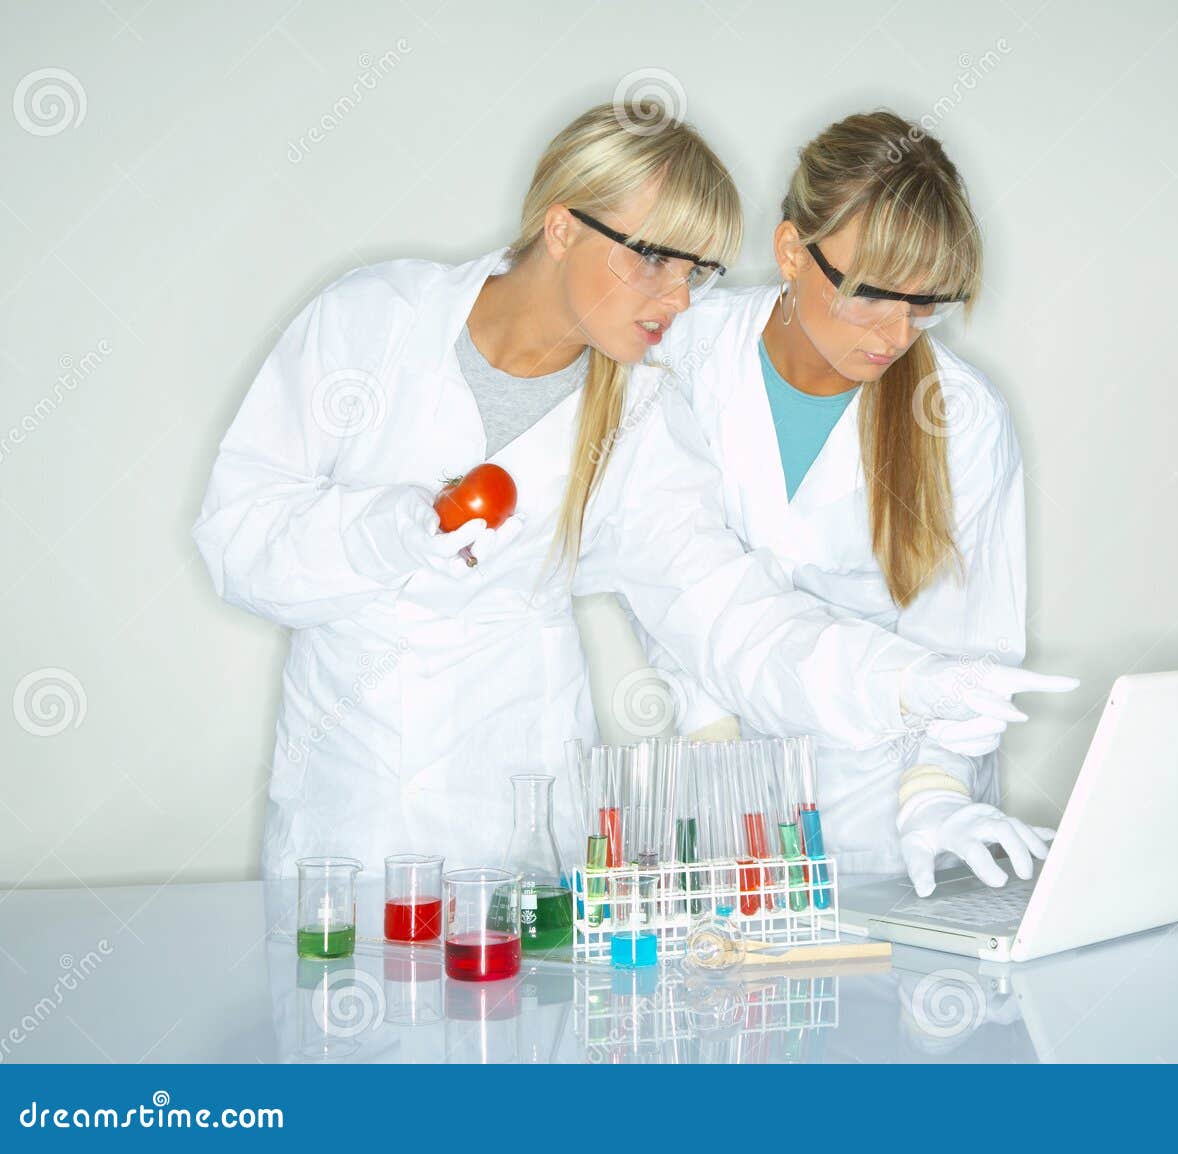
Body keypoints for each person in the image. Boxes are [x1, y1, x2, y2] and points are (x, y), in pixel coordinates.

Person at [194, 101, 1074, 878]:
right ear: (563, 225)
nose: (680, 301)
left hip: (526, 803)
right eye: (656, 260)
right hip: (347, 796)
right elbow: (238, 542)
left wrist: (907, 687)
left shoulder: (644, 411)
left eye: (697, 272)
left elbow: (726, 608)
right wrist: (386, 531)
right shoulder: (373, 316)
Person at [643, 111, 1069, 896]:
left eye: (926, 304)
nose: (897, 332)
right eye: (873, 294)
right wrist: (712, 742)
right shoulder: (683, 354)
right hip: (722, 782)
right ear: (791, 252)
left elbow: (969, 643)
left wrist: (936, 793)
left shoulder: (961, 417)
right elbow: (674, 577)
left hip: (892, 813)